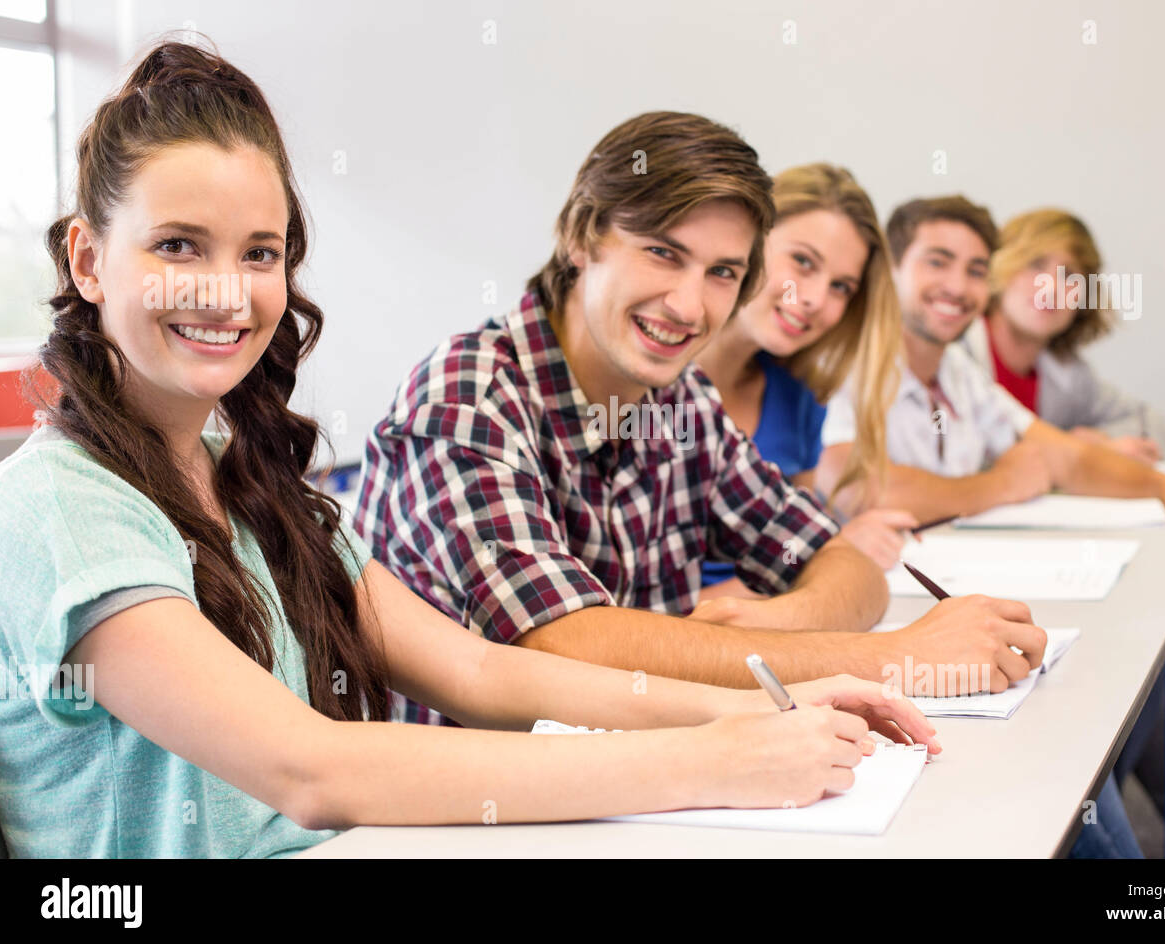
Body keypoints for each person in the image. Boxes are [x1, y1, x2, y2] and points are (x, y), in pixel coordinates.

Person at [0, 42, 939, 859]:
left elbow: (481, 673)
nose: (227, 295)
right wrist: (710, 760)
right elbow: (308, 769)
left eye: (259, 253)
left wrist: (777, 700)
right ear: (86, 260)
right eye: (178, 247)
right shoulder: (60, 509)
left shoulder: (244, 481)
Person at [355, 116, 1049, 719]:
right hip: (473, 815)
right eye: (663, 252)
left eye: (721, 273)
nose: (689, 307)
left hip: (650, 773)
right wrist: (897, 657)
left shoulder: (681, 404)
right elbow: (564, 645)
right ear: (583, 238)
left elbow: (845, 562)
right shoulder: (469, 393)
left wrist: (780, 619)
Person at [816, 194, 1165, 554]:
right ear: (889, 271)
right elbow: (860, 489)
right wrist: (1003, 482)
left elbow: (1064, 458)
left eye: (976, 270)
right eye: (937, 262)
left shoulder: (956, 370)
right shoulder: (845, 356)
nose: (958, 287)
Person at [695, 162, 915, 587]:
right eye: (802, 261)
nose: (813, 298)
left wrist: (828, 552)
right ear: (749, 239)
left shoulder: (798, 399)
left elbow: (793, 556)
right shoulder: (643, 388)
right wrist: (831, 553)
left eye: (841, 287)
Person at [960, 207, 1165, 463]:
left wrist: (1102, 439)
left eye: (1069, 275)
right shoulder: (954, 352)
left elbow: (1151, 424)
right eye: (1036, 264)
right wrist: (1078, 452)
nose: (1052, 287)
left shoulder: (1069, 374)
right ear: (998, 267)